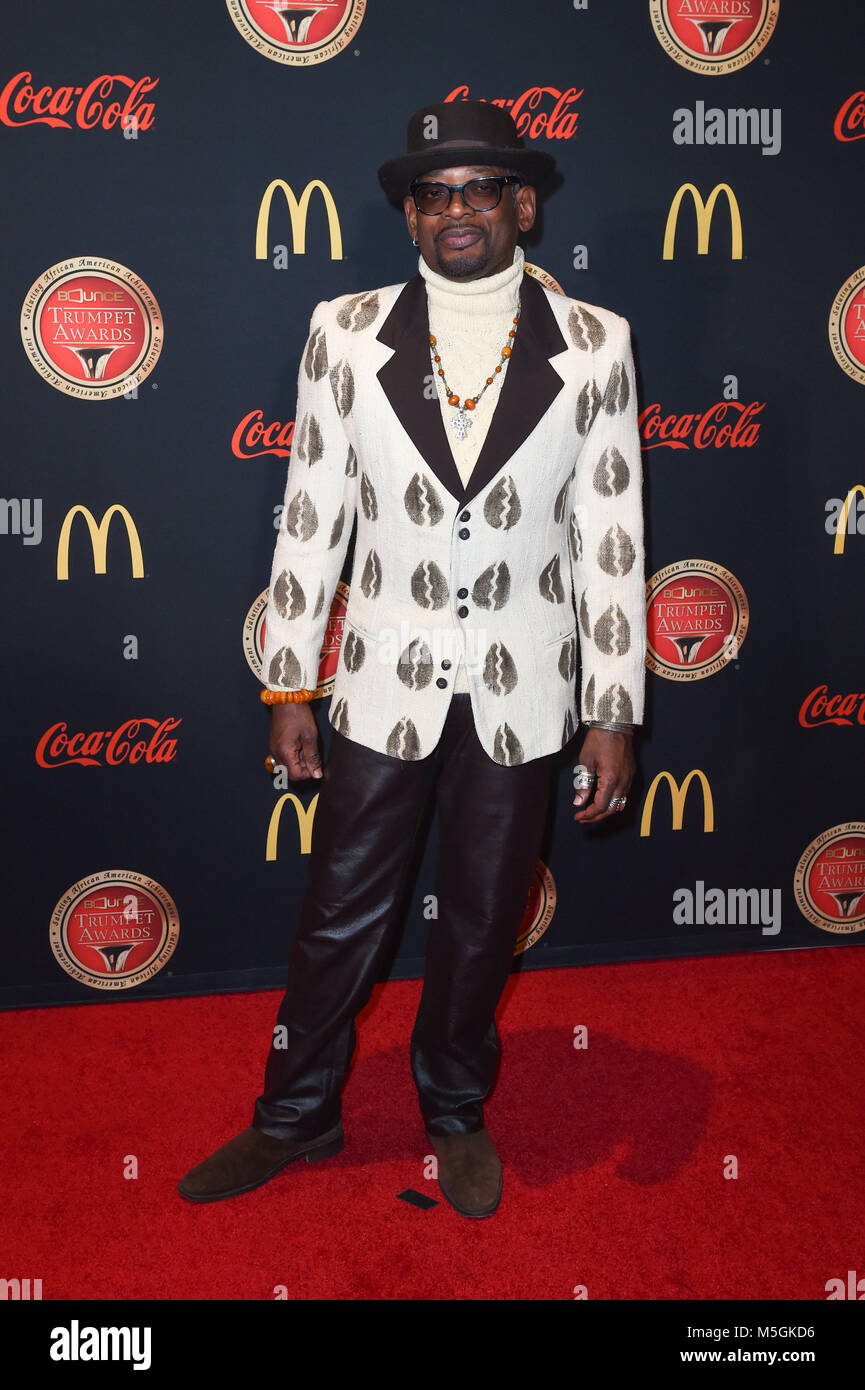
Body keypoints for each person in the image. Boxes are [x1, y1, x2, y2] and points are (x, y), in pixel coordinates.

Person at [178, 100, 646, 1219]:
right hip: (379, 676)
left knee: (485, 915)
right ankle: (296, 1112)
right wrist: (288, 681)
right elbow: (310, 517)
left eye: (479, 189)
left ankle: (453, 1105)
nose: (455, 212)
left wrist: (613, 709)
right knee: (339, 907)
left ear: (521, 204)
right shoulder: (343, 332)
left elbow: (612, 535)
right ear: (408, 215)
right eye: (432, 194)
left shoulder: (596, 345)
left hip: (523, 684)